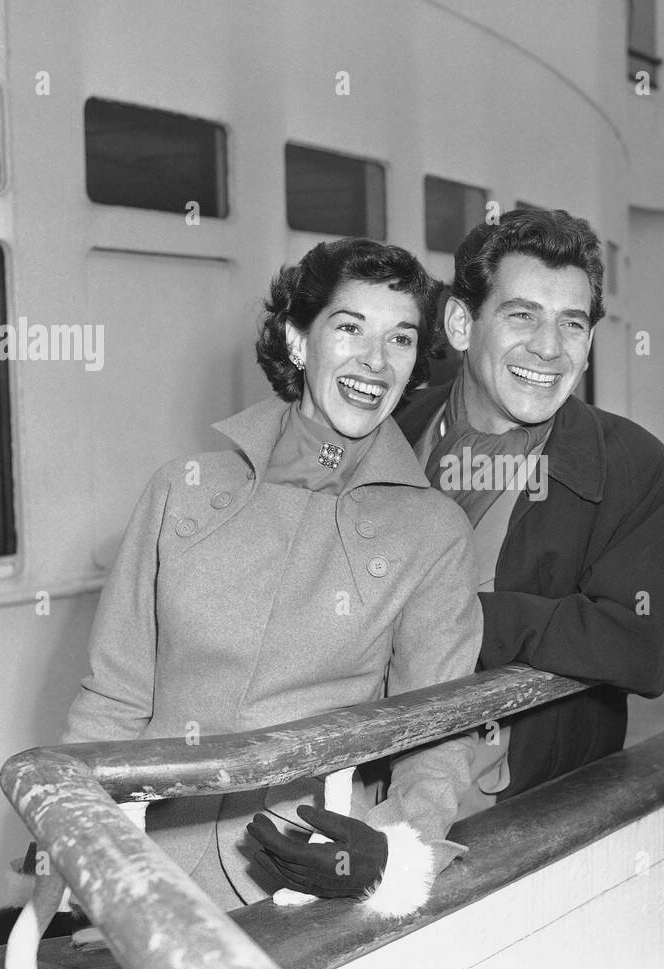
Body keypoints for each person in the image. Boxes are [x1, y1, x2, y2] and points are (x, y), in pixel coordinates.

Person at [62, 238, 482, 918]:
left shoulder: (433, 532)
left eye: (400, 339)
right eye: (350, 328)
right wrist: (73, 832)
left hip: (306, 873)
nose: (375, 361)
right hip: (146, 867)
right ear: (296, 339)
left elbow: (438, 731)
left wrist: (390, 852)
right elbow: (112, 696)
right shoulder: (182, 491)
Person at [394, 209, 664, 811]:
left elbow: (636, 647)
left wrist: (457, 618)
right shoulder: (394, 425)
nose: (548, 348)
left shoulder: (631, 464)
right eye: (522, 314)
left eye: (571, 324)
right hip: (363, 759)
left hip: (511, 793)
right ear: (460, 323)